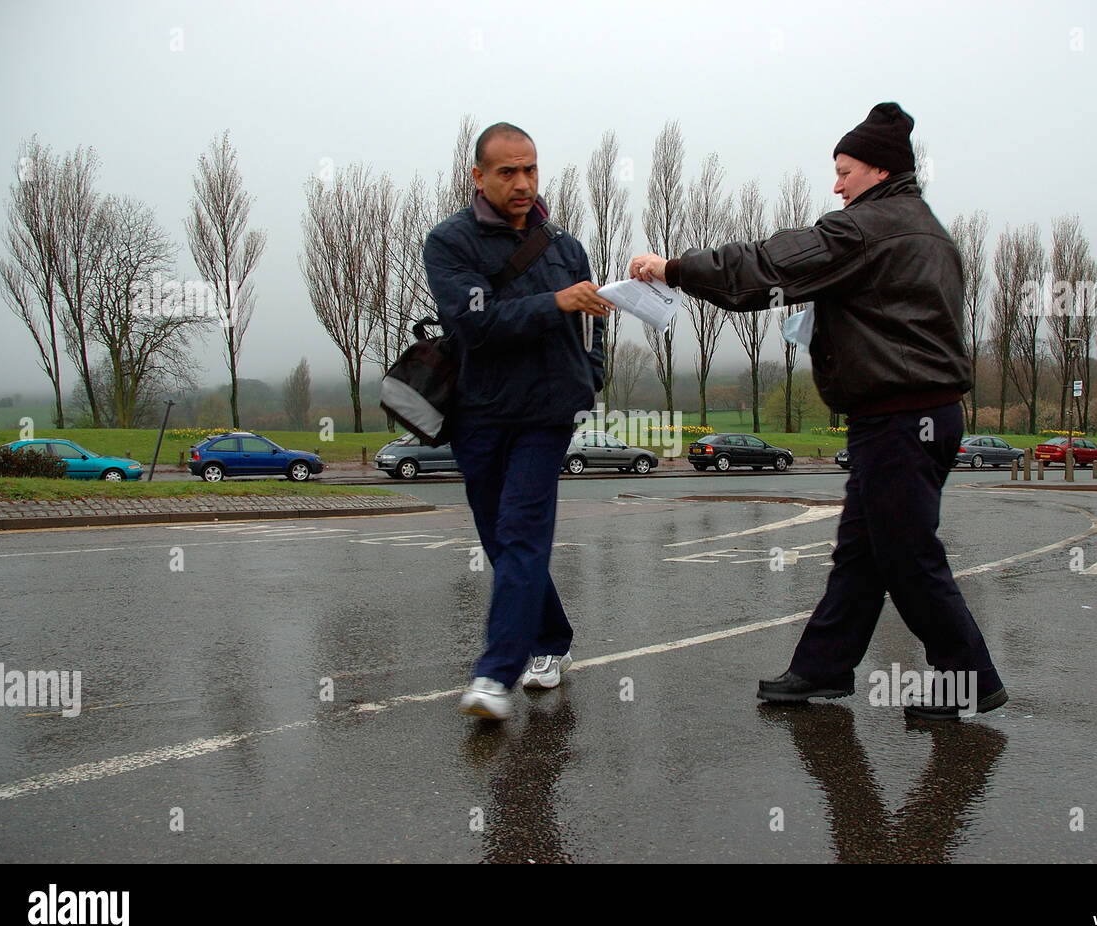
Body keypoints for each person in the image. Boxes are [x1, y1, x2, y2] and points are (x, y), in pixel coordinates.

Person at [629, 102, 1006, 721]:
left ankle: (968, 676)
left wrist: (673, 269)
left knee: (907, 554)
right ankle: (822, 669)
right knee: (863, 552)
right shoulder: (930, 231)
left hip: (898, 416)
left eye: (845, 170)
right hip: (923, 411)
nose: (836, 184)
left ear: (879, 171)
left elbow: (765, 267)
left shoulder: (862, 229)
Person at [424, 122, 611, 721]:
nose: (523, 182)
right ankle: (552, 642)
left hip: (547, 414)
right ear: (477, 177)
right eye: (508, 171)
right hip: (479, 414)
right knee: (501, 541)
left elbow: (593, 317)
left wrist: (593, 371)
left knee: (522, 533)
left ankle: (494, 675)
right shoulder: (449, 242)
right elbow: (474, 323)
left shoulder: (566, 247)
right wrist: (553, 303)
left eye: (530, 169)